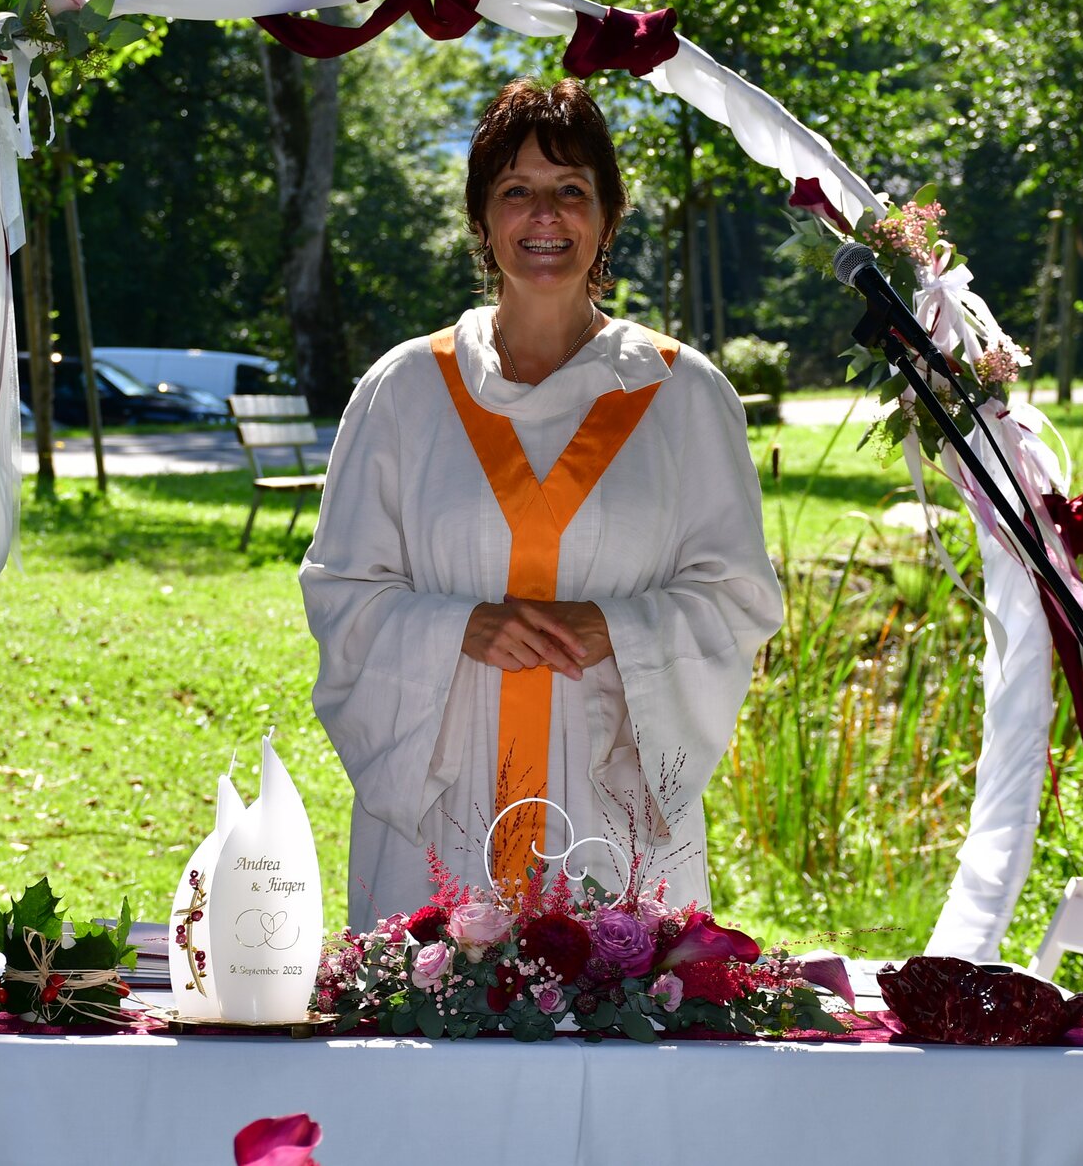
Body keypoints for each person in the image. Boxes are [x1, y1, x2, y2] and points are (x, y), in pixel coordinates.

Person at [300, 78, 782, 928]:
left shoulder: (682, 395)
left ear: (607, 215)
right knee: (429, 1029)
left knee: (613, 1035)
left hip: (610, 799)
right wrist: (461, 627)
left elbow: (737, 596)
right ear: (482, 220)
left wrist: (621, 630)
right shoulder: (405, 391)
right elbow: (343, 592)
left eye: (571, 191)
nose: (545, 216)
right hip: (443, 798)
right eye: (516, 192)